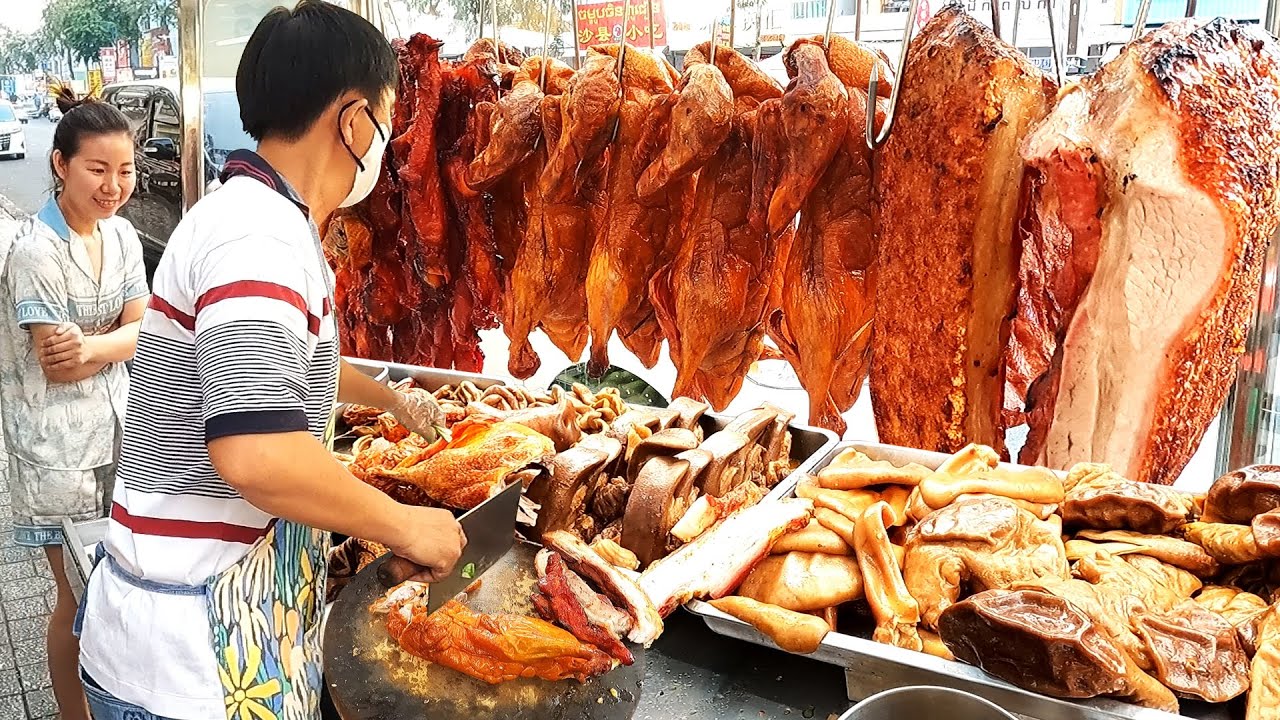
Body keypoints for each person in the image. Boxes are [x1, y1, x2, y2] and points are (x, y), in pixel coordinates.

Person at [76, 3, 466, 719]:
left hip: (208, 640)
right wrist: (404, 525)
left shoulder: (254, 219)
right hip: (187, 666)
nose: (382, 140)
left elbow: (278, 378)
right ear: (352, 121)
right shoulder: (258, 236)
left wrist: (389, 398)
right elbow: (257, 452)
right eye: (383, 117)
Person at [0, 89, 148, 720]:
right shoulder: (34, 251)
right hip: (55, 452)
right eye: (97, 168)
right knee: (75, 596)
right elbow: (56, 366)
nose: (113, 185)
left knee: (117, 589)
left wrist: (93, 343)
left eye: (124, 170)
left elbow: (145, 328)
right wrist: (112, 342)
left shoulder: (124, 238)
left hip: (122, 433)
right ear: (59, 165)